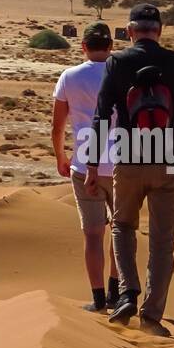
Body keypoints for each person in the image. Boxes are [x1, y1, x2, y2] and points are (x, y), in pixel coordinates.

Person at [85, 3, 174, 336]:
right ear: (160, 31)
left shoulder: (117, 62)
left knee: (123, 227)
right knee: (162, 242)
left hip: (129, 156)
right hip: (168, 158)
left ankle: (126, 292)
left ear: (129, 31)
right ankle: (152, 316)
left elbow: (100, 117)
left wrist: (93, 164)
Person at [52, 21, 119, 312]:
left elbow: (57, 126)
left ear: (83, 47)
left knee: (93, 235)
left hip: (84, 163)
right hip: (122, 165)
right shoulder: (123, 74)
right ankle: (119, 295)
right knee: (121, 230)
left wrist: (60, 157)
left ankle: (98, 299)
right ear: (111, 47)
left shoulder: (69, 76)